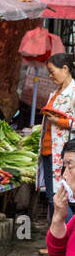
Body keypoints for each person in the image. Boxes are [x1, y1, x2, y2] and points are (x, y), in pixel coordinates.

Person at [40, 53, 75, 209]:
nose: (50, 75)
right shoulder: (56, 92)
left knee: (62, 198)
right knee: (52, 197)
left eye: (52, 71)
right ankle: (55, 232)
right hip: (49, 152)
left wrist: (58, 121)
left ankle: (65, 232)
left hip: (65, 155)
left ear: (65, 69)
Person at [45, 141, 75, 256]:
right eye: (64, 166)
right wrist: (58, 215)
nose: (64, 175)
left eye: (70, 166)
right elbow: (56, 254)